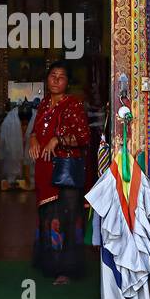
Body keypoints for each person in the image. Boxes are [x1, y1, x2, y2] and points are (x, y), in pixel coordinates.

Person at [27, 62, 90, 284]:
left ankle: (67, 270)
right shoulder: (44, 104)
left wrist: (58, 139)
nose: (56, 80)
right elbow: (36, 130)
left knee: (67, 218)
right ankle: (49, 264)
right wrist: (34, 138)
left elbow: (83, 137)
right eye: (52, 76)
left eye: (61, 77)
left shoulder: (73, 105)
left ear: (67, 83)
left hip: (65, 171)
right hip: (45, 170)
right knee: (46, 216)